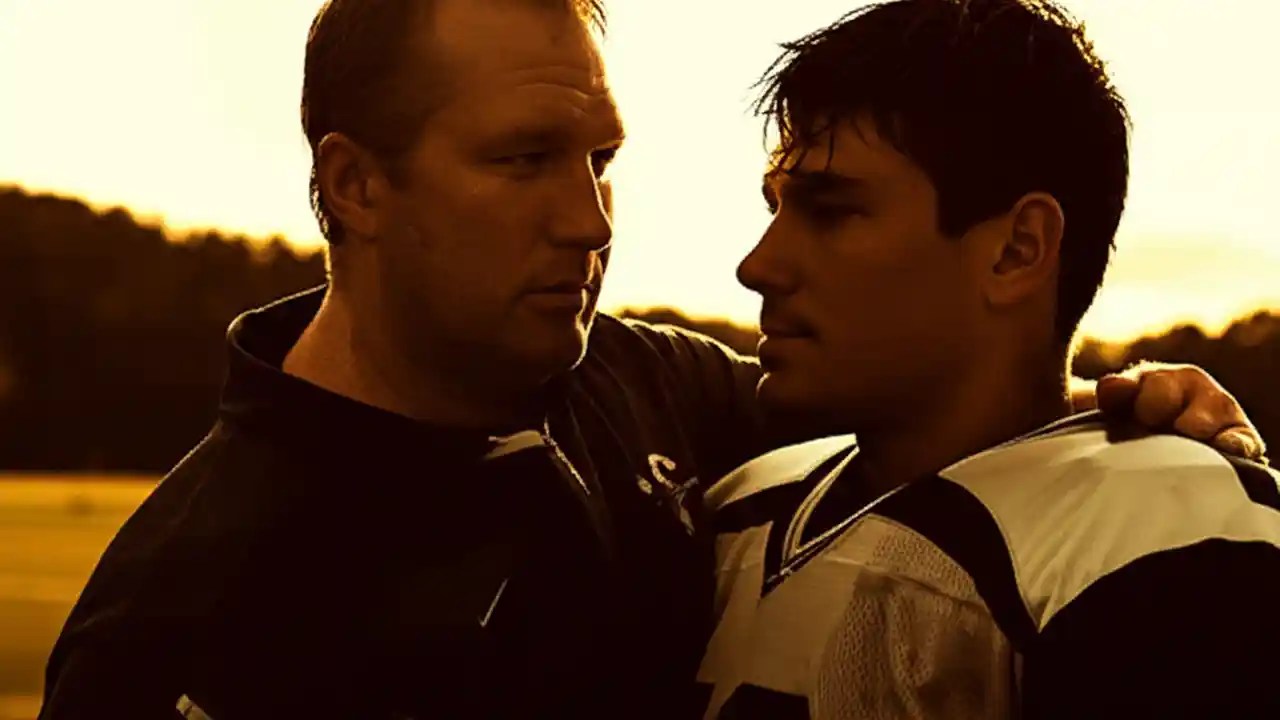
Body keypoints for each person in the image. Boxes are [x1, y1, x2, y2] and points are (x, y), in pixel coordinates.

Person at [38, 0, 1265, 718]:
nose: (587, 221)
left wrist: (1136, 403)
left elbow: (952, 412)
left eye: (601, 160)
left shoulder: (663, 394)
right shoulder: (183, 617)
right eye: (523, 160)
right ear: (352, 184)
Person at [695, 1, 1280, 718]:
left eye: (832, 211)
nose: (758, 265)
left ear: (1017, 250)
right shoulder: (734, 500)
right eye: (774, 207)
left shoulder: (1176, 548)